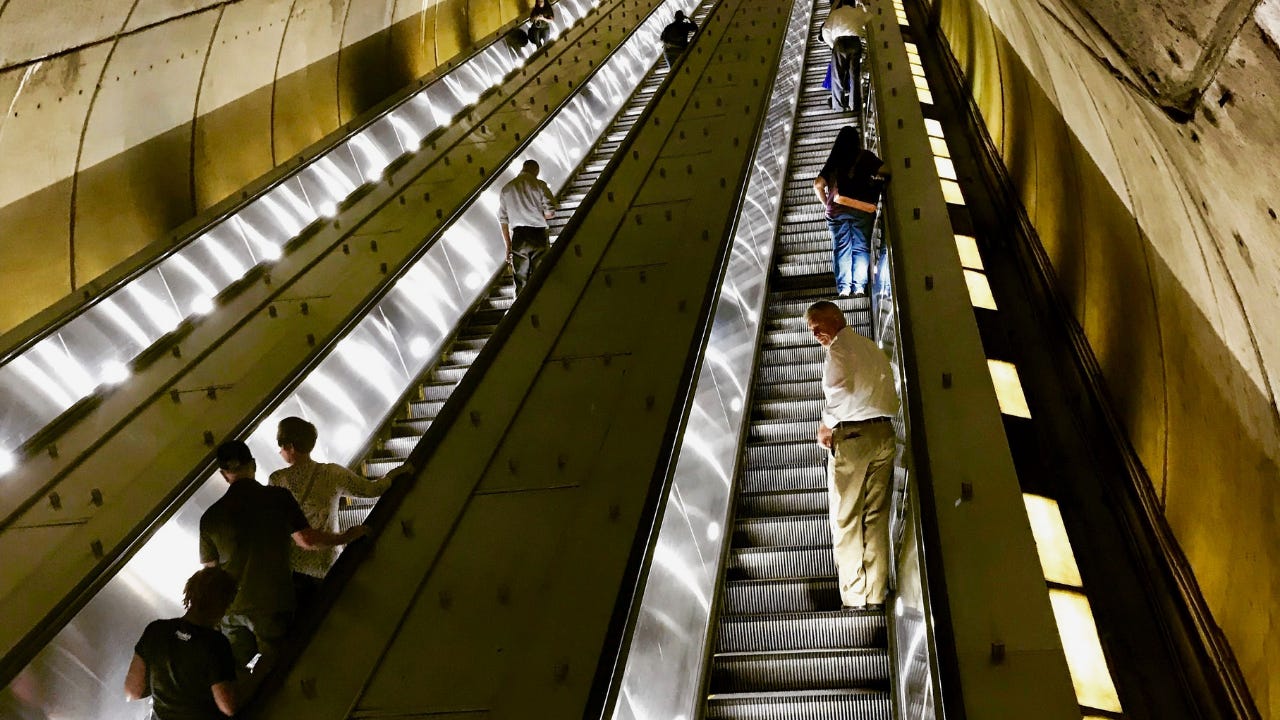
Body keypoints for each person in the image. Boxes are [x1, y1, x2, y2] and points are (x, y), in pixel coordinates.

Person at [199, 440, 367, 689]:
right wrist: (344, 537)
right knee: (276, 670)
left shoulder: (210, 517)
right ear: (253, 465)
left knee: (237, 671)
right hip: (273, 605)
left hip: (231, 612)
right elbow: (307, 540)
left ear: (224, 476)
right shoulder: (277, 498)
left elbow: (209, 573)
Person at [805, 301, 899, 611]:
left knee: (846, 519)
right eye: (811, 329)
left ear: (835, 317)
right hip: (884, 435)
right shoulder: (871, 347)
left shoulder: (838, 349)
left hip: (854, 438)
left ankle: (855, 598)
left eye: (818, 325)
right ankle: (875, 594)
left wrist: (825, 425)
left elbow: (841, 393)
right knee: (875, 515)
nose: (815, 333)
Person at [270, 416, 400, 595]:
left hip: (294, 569)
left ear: (290, 446)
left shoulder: (277, 479)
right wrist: (392, 476)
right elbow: (371, 490)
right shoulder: (332, 473)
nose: (280, 452)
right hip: (329, 564)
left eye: (281, 447)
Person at [124, 567, 240, 719]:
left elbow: (133, 690)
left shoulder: (156, 630)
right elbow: (228, 706)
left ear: (190, 593)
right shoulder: (216, 643)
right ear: (222, 604)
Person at [813, 126, 889, 297]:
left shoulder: (834, 161)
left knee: (841, 248)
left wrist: (827, 203)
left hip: (836, 210)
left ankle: (844, 289)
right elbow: (887, 171)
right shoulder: (865, 157)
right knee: (861, 248)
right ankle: (860, 287)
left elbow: (818, 184)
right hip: (862, 209)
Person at [498, 159, 556, 294]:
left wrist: (508, 246)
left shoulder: (507, 189)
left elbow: (503, 221)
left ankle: (522, 308)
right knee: (541, 275)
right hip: (538, 234)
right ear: (536, 171)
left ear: (523, 169)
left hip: (519, 236)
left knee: (521, 278)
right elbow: (550, 212)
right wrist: (539, 214)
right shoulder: (539, 185)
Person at [821, 0, 871, 112]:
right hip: (855, 42)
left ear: (842, 2)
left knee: (837, 75)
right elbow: (869, 16)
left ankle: (839, 106)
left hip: (840, 43)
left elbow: (825, 30)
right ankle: (854, 105)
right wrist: (865, 5)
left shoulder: (835, 13)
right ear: (853, 3)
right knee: (854, 75)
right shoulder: (858, 12)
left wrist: (832, 44)